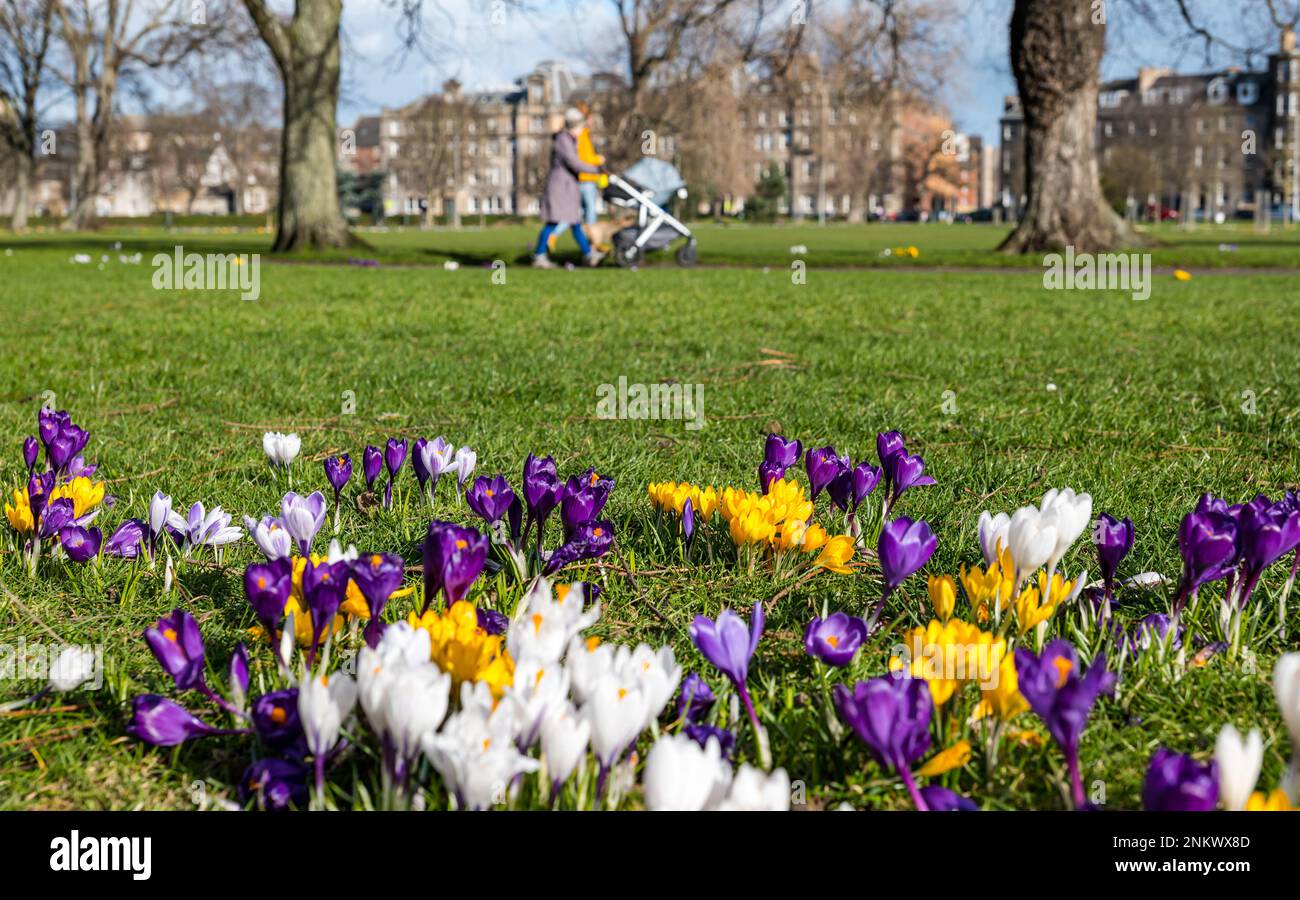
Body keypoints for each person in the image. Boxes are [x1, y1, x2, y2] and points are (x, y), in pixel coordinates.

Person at [533, 108, 605, 268]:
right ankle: (539, 255)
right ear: (574, 127)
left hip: (568, 187)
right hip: (560, 189)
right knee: (553, 223)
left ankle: (588, 254)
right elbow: (573, 162)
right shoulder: (563, 141)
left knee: (575, 222)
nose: (582, 131)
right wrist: (596, 168)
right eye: (580, 127)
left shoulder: (570, 140)